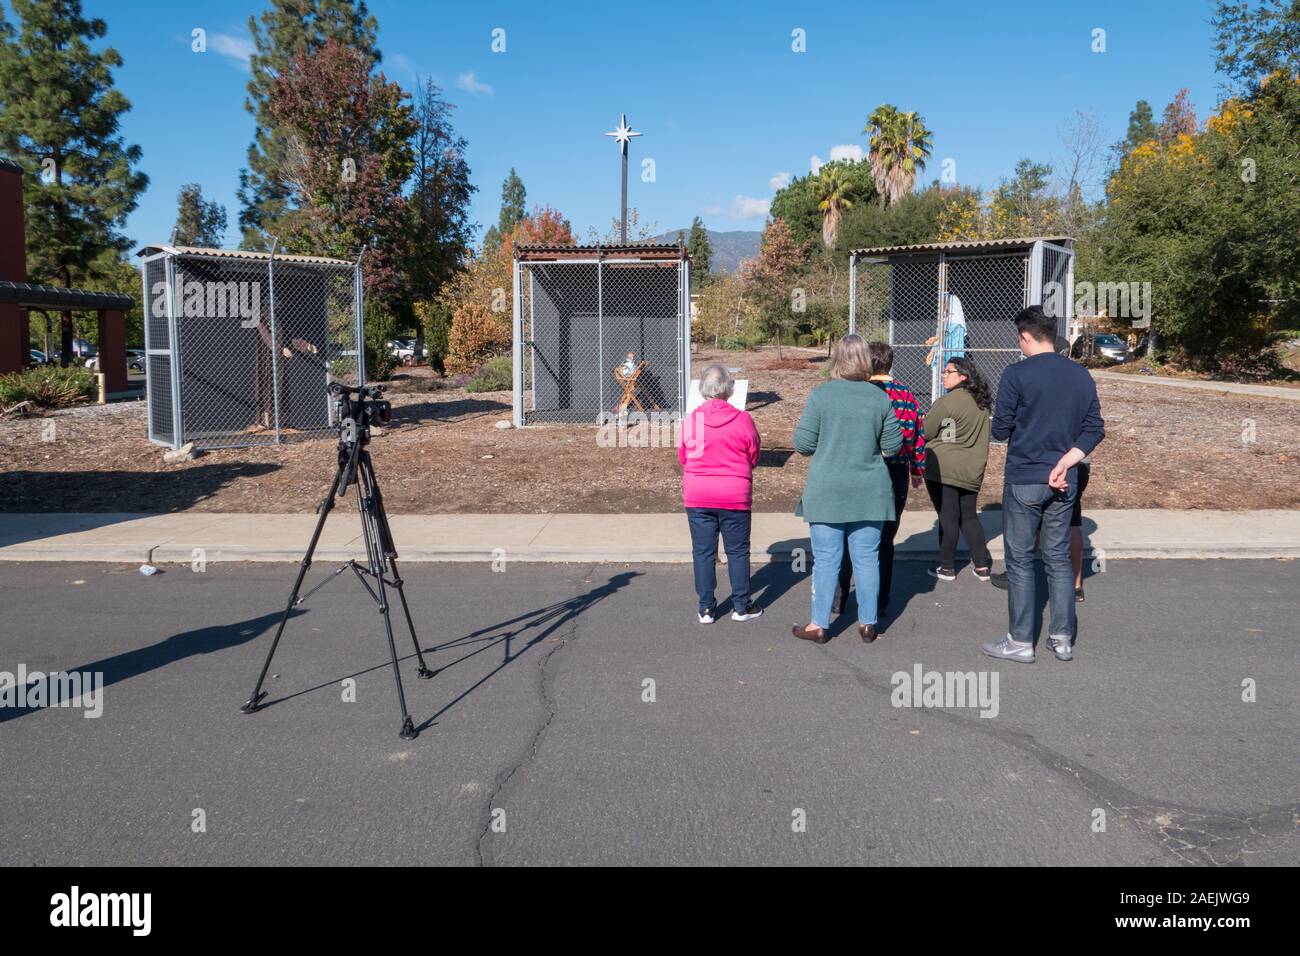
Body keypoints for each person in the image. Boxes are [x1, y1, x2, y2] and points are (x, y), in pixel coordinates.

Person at [983, 306, 1104, 664]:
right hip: (1066, 477)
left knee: (1020, 560)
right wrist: (1067, 461)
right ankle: (1062, 637)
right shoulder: (1081, 375)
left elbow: (1000, 429)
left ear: (1025, 337)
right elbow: (1094, 428)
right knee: (1058, 559)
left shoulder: (1016, 374)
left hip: (1025, 475)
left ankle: (1021, 640)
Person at [790, 335, 903, 645]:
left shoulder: (821, 395)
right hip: (870, 490)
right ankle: (868, 623)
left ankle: (819, 624)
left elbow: (802, 444)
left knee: (827, 559)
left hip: (828, 489)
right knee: (867, 558)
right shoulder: (879, 398)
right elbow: (893, 446)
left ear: (836, 361)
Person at [834, 341, 926, 617]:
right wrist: (916, 471)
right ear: (890, 364)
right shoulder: (907, 396)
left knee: (850, 535)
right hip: (895, 471)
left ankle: (839, 597)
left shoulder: (859, 394)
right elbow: (917, 437)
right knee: (884, 540)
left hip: (860, 468)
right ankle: (879, 601)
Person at [678, 364, 763, 624]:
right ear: (728, 388)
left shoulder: (691, 420)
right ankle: (741, 605)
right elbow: (754, 454)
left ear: (703, 389)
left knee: (703, 552)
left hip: (698, 493)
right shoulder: (743, 419)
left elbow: (683, 456)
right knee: (737, 551)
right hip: (734, 494)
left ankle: (706, 608)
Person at [923, 356, 993, 581]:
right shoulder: (981, 403)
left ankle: (946, 567)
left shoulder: (947, 401)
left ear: (963, 376)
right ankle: (982, 565)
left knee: (948, 517)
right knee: (969, 516)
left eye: (948, 371)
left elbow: (926, 431)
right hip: (972, 468)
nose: (944, 375)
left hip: (944, 468)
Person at [991, 454, 1090, 601]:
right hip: (1077, 464)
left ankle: (1018, 574)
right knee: (1072, 523)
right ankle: (1075, 585)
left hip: (1043, 464)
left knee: (1032, 519)